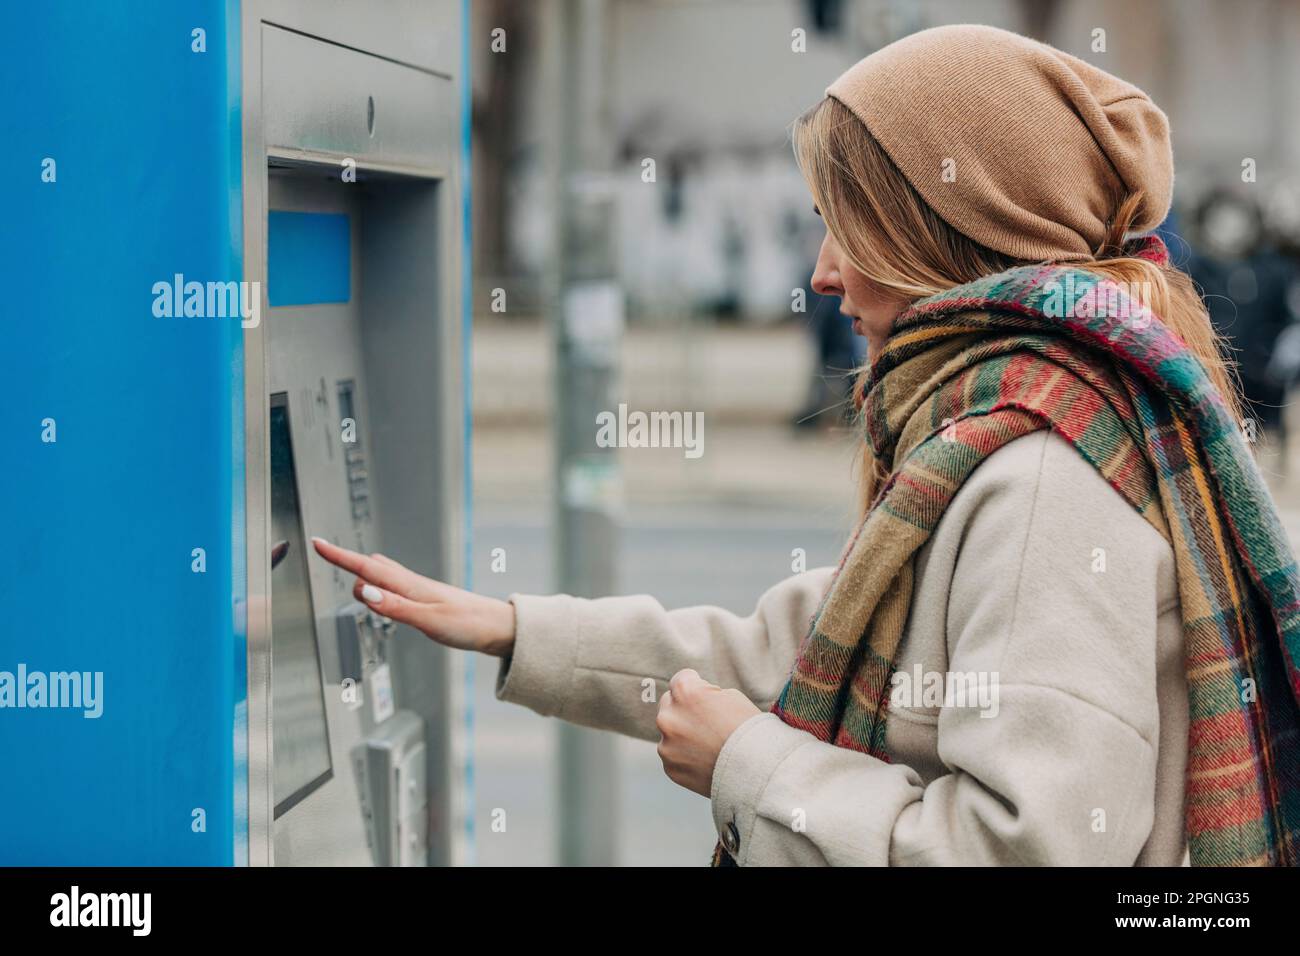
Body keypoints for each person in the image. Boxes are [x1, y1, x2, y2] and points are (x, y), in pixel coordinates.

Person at [313, 25, 1300, 867]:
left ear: (937, 234)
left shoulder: (1040, 478)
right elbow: (782, 647)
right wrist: (511, 626)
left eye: (844, 227)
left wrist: (747, 762)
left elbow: (1021, 849)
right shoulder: (1010, 434)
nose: (823, 274)